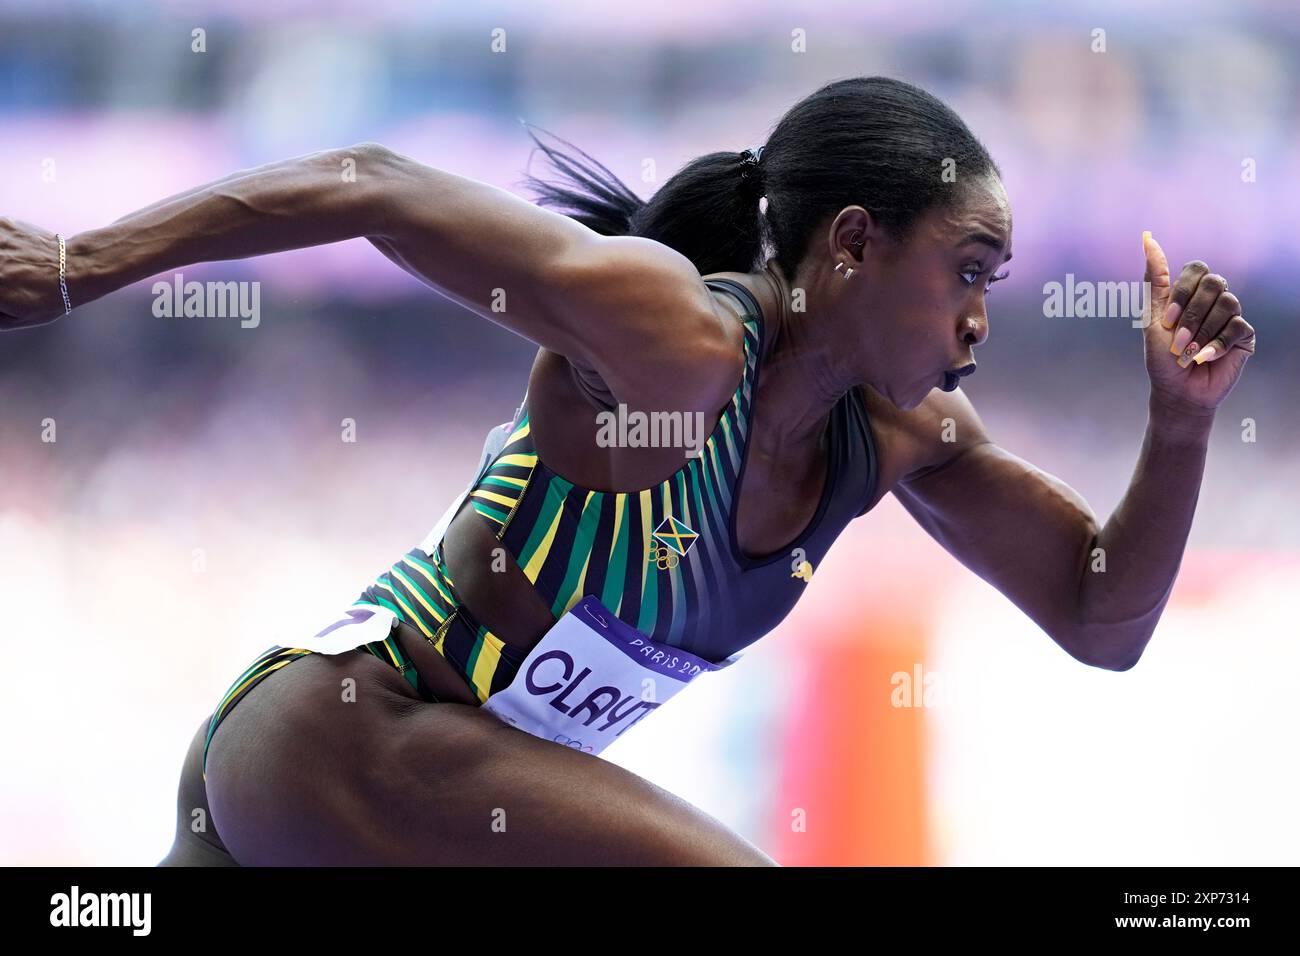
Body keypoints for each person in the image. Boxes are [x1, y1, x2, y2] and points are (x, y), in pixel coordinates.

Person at [0, 77, 1255, 866]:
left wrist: (1182, 419)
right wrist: (76, 263)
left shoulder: (903, 436)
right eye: (969, 269)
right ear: (854, 245)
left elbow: (1103, 619)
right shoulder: (684, 340)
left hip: (389, 817)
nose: (982, 317)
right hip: (348, 742)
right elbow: (371, 185)